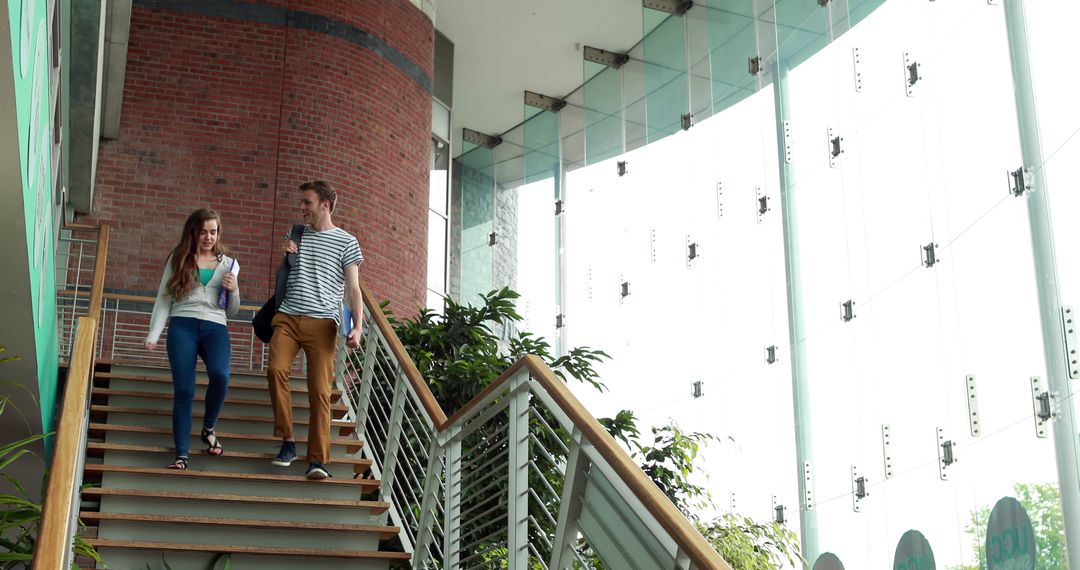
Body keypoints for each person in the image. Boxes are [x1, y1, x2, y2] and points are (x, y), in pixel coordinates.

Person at [267, 180, 362, 480]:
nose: (302, 207)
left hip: (323, 324)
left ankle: (317, 460)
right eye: (302, 202)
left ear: (325, 205)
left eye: (307, 202)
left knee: (320, 391)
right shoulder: (296, 233)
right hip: (287, 317)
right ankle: (288, 441)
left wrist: (358, 326)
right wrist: (286, 253)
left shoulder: (347, 242)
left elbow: (353, 288)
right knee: (275, 370)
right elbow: (285, 274)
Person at [145, 208, 241, 470]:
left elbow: (231, 310)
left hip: (215, 328)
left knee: (221, 376)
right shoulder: (179, 258)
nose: (209, 237)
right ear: (193, 232)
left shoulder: (229, 264)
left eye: (213, 231)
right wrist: (154, 333)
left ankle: (208, 427)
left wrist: (233, 290)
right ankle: (182, 455)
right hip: (182, 326)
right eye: (203, 232)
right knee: (185, 390)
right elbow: (164, 298)